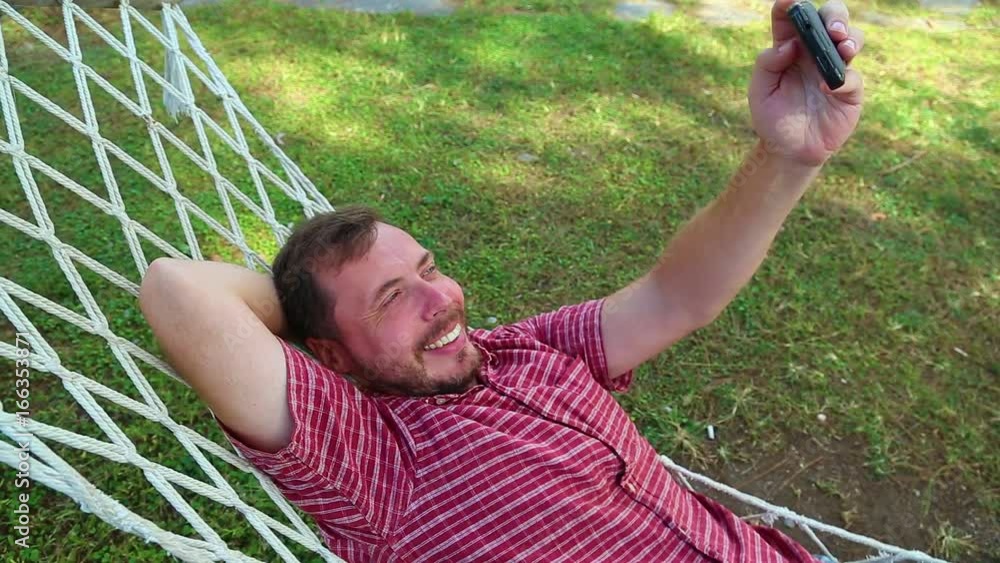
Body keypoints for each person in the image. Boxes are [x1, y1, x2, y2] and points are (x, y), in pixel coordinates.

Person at [138, 0, 864, 560]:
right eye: (393, 298)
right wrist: (303, 315)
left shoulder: (524, 348)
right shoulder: (372, 463)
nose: (442, 298)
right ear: (329, 355)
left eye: (426, 268)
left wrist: (789, 155)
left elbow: (679, 295)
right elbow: (177, 290)